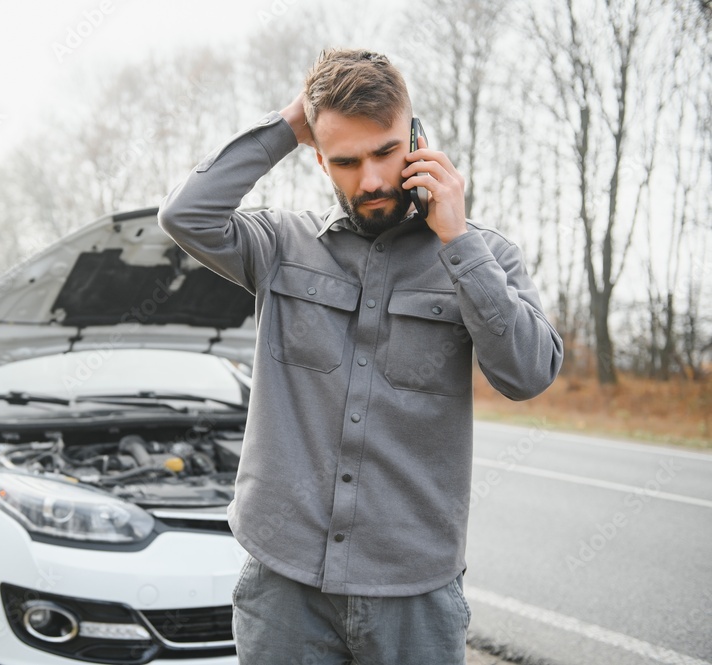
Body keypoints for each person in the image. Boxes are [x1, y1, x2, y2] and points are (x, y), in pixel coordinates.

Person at [158, 48, 563, 665]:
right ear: (319, 158)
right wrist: (291, 124)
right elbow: (186, 214)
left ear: (417, 139)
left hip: (414, 595)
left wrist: (459, 243)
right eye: (346, 160)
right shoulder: (279, 247)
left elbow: (528, 374)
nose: (370, 180)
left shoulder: (485, 256)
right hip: (284, 587)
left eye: (385, 152)